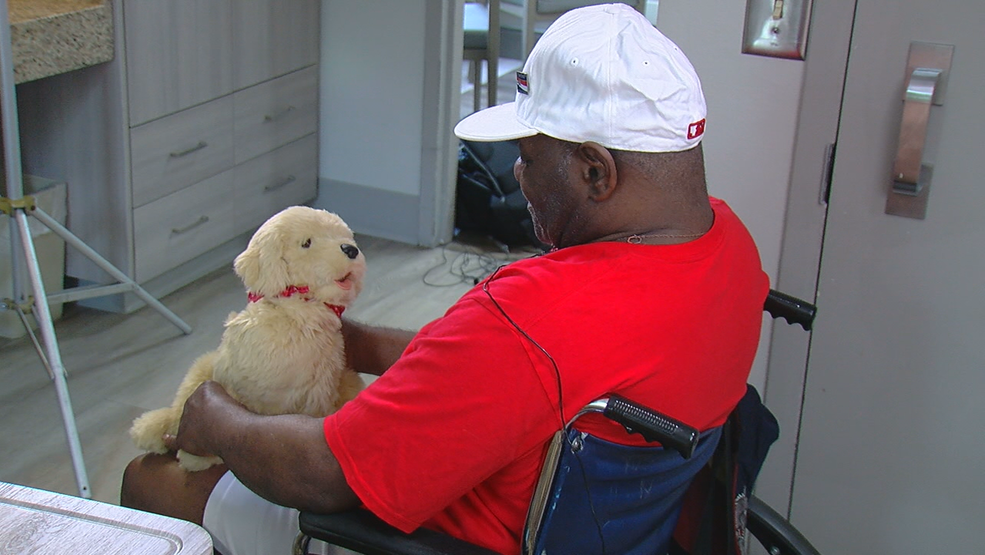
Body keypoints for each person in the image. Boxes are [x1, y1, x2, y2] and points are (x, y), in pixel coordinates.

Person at [120, 4, 768, 555]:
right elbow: (500, 378)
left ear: (597, 172)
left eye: (528, 156)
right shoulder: (733, 251)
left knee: (147, 480)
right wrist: (362, 343)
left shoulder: (535, 317)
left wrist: (218, 417)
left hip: (426, 536)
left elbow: (324, 473)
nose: (516, 174)